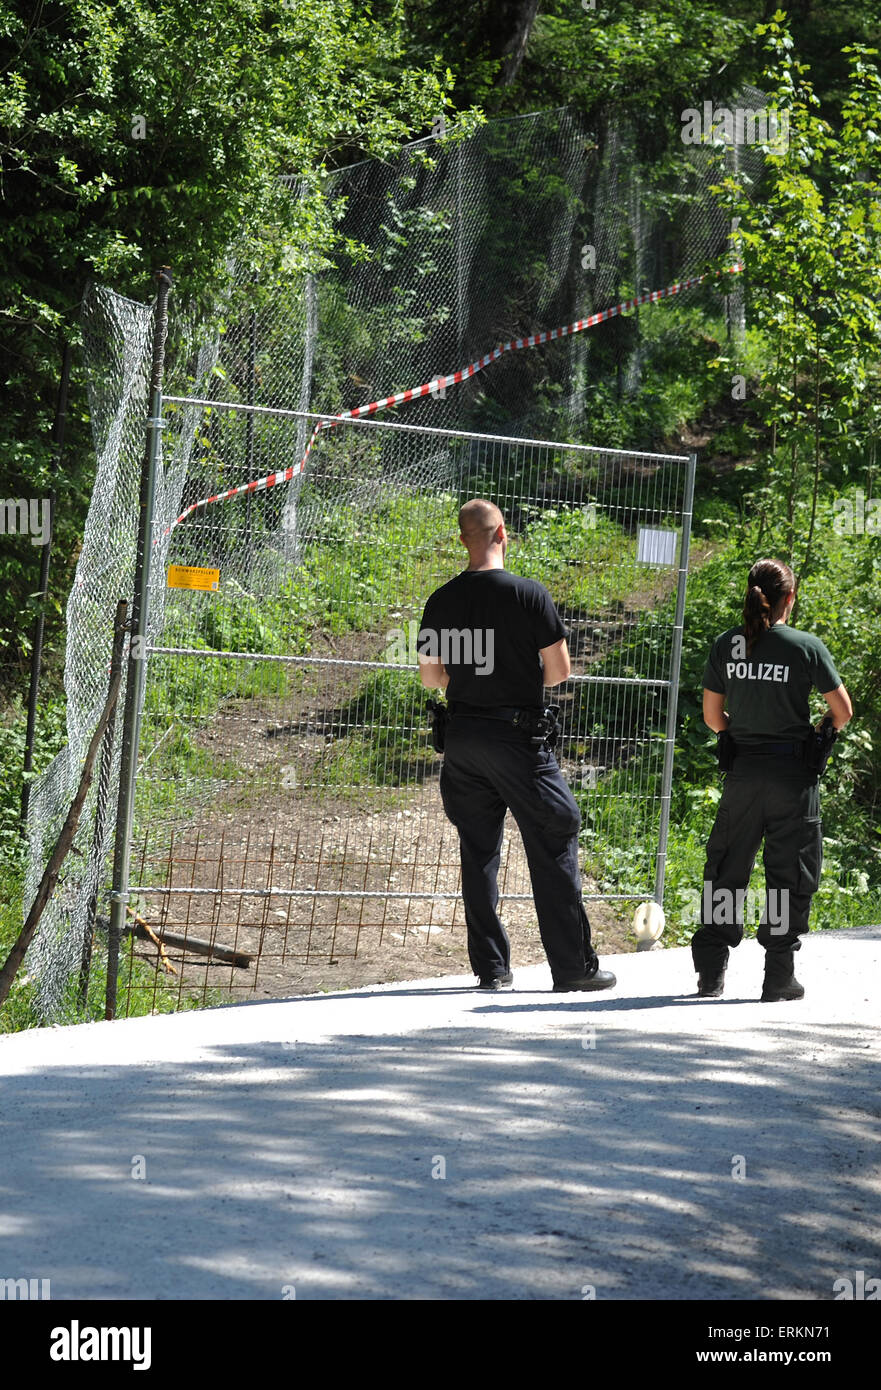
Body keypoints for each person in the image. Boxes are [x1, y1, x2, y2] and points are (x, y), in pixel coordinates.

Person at [416, 498, 616, 994]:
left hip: (462, 739)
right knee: (556, 830)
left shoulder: (441, 600)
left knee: (479, 850)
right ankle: (572, 968)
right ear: (502, 533)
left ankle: (492, 969)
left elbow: (431, 678)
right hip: (517, 739)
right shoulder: (529, 595)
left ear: (464, 539)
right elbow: (559, 671)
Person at [691, 558, 852, 1001]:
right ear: (790, 598)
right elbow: (842, 712)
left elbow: (711, 717)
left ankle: (710, 972)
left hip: (742, 776)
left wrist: (741, 733)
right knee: (787, 875)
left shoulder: (728, 644)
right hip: (792, 781)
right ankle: (778, 976)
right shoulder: (805, 646)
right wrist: (818, 734)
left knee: (727, 867)